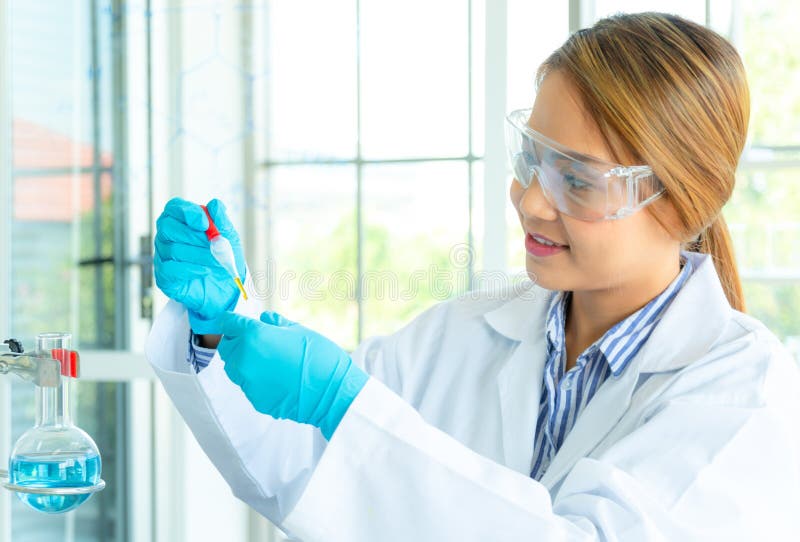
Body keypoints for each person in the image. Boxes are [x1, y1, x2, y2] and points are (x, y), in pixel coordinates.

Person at [146, 12, 800, 541]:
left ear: (686, 199)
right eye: (533, 157)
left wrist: (345, 407)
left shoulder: (745, 395)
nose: (532, 200)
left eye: (577, 179)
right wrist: (224, 326)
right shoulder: (462, 333)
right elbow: (304, 459)